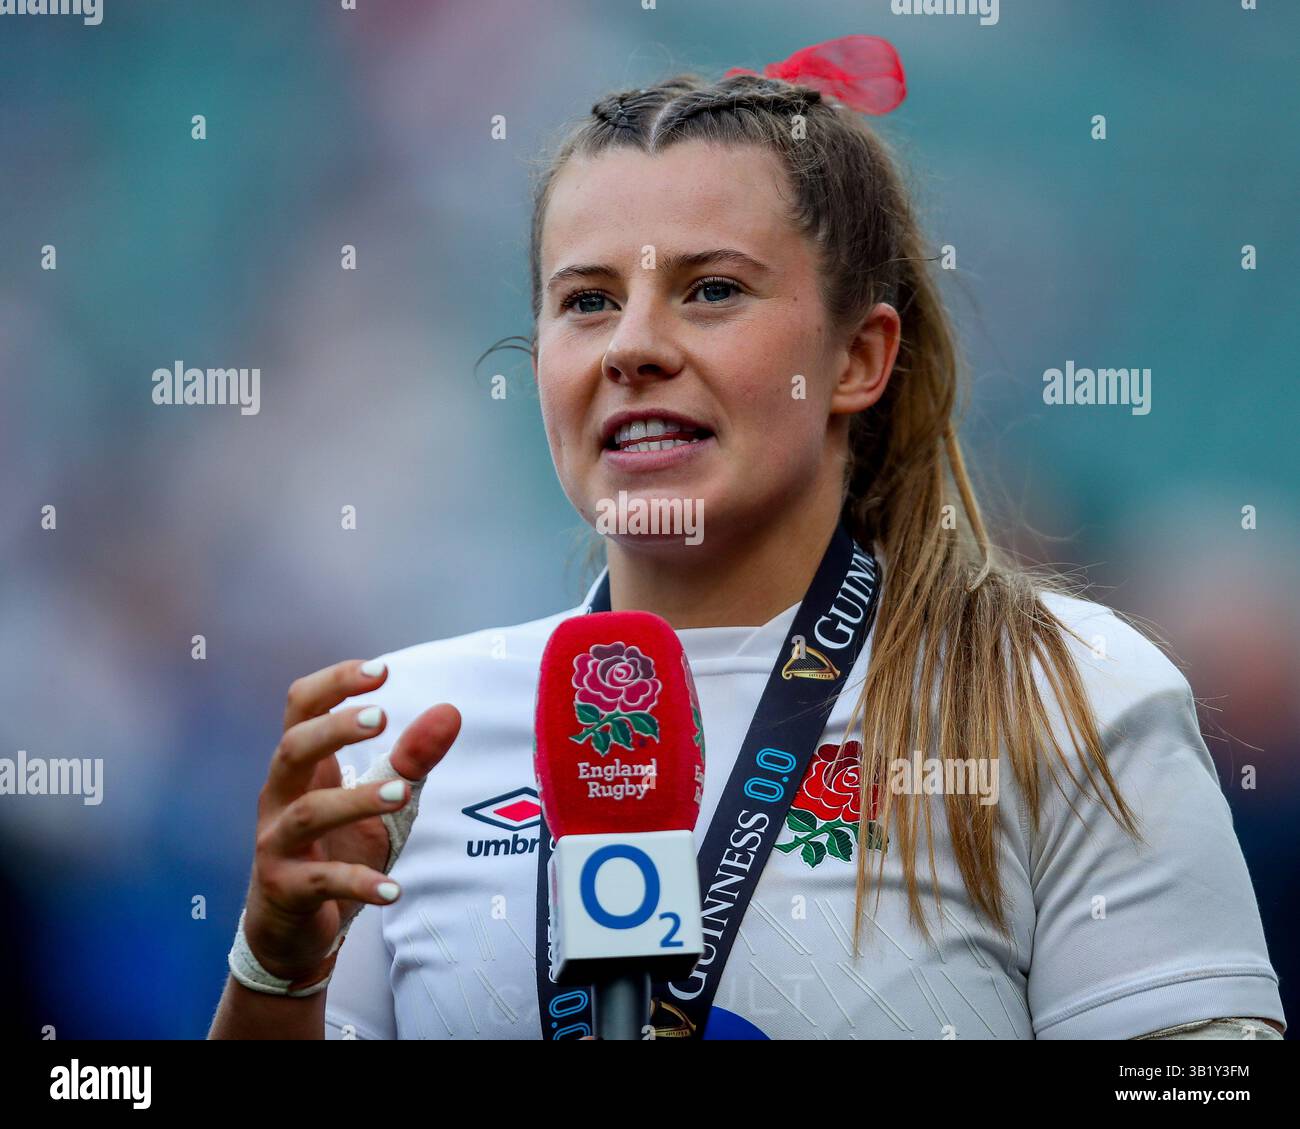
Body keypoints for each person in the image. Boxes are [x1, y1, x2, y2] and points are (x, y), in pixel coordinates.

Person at [208, 37, 1285, 1041]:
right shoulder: (404, 731)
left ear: (858, 359)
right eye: (585, 301)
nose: (631, 346)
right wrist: (276, 967)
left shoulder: (1063, 693)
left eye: (710, 289)